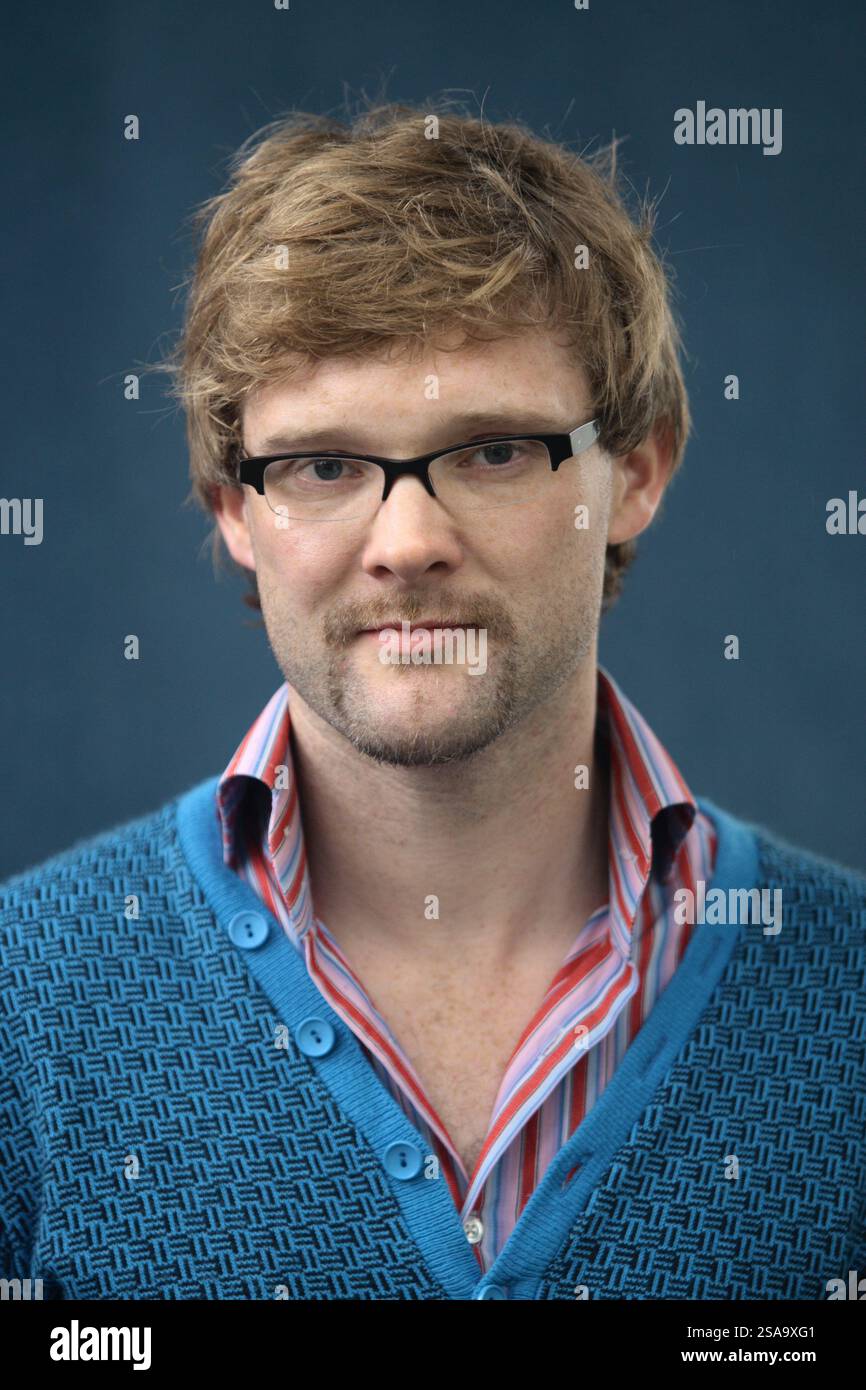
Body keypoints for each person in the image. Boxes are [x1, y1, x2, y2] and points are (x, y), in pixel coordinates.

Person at [1, 101, 863, 1303]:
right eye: (322, 465)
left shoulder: (846, 998)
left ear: (636, 471)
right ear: (235, 510)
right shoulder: (24, 1000)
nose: (406, 541)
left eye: (493, 451)